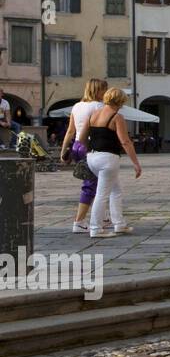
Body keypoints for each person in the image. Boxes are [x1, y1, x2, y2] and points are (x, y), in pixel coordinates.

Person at [80, 87, 143, 239]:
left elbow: (82, 137)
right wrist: (136, 163)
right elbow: (125, 142)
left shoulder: (93, 115)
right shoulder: (117, 117)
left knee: (116, 191)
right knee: (102, 194)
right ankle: (95, 228)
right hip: (108, 159)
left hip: (92, 157)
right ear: (120, 101)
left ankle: (119, 224)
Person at [60, 78, 108, 233]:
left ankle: (103, 216)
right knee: (91, 185)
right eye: (104, 89)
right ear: (97, 90)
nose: (106, 92)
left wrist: (63, 151)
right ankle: (78, 222)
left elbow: (70, 131)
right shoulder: (100, 106)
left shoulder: (77, 106)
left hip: (77, 147)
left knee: (100, 182)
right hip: (92, 147)